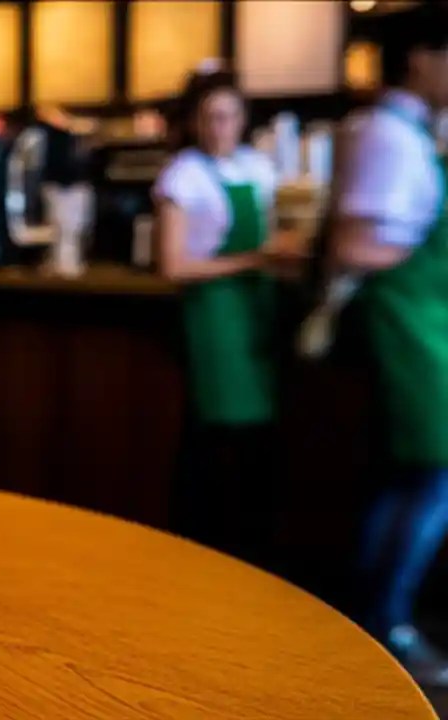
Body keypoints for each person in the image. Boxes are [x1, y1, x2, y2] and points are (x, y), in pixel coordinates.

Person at [329, 6, 448, 685]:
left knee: (408, 478)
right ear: (421, 58)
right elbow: (352, 244)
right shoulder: (390, 135)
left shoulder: (410, 131)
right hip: (406, 327)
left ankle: (375, 624)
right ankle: (386, 624)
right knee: (431, 478)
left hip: (423, 323)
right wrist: (417, 253)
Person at [152, 66, 281, 563]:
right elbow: (173, 265)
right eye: (209, 117)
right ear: (194, 122)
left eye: (228, 116)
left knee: (258, 442)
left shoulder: (258, 167)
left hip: (256, 308)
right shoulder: (182, 175)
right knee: (215, 437)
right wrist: (254, 260)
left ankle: (252, 553)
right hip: (214, 312)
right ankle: (202, 549)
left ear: (243, 119)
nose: (219, 127)